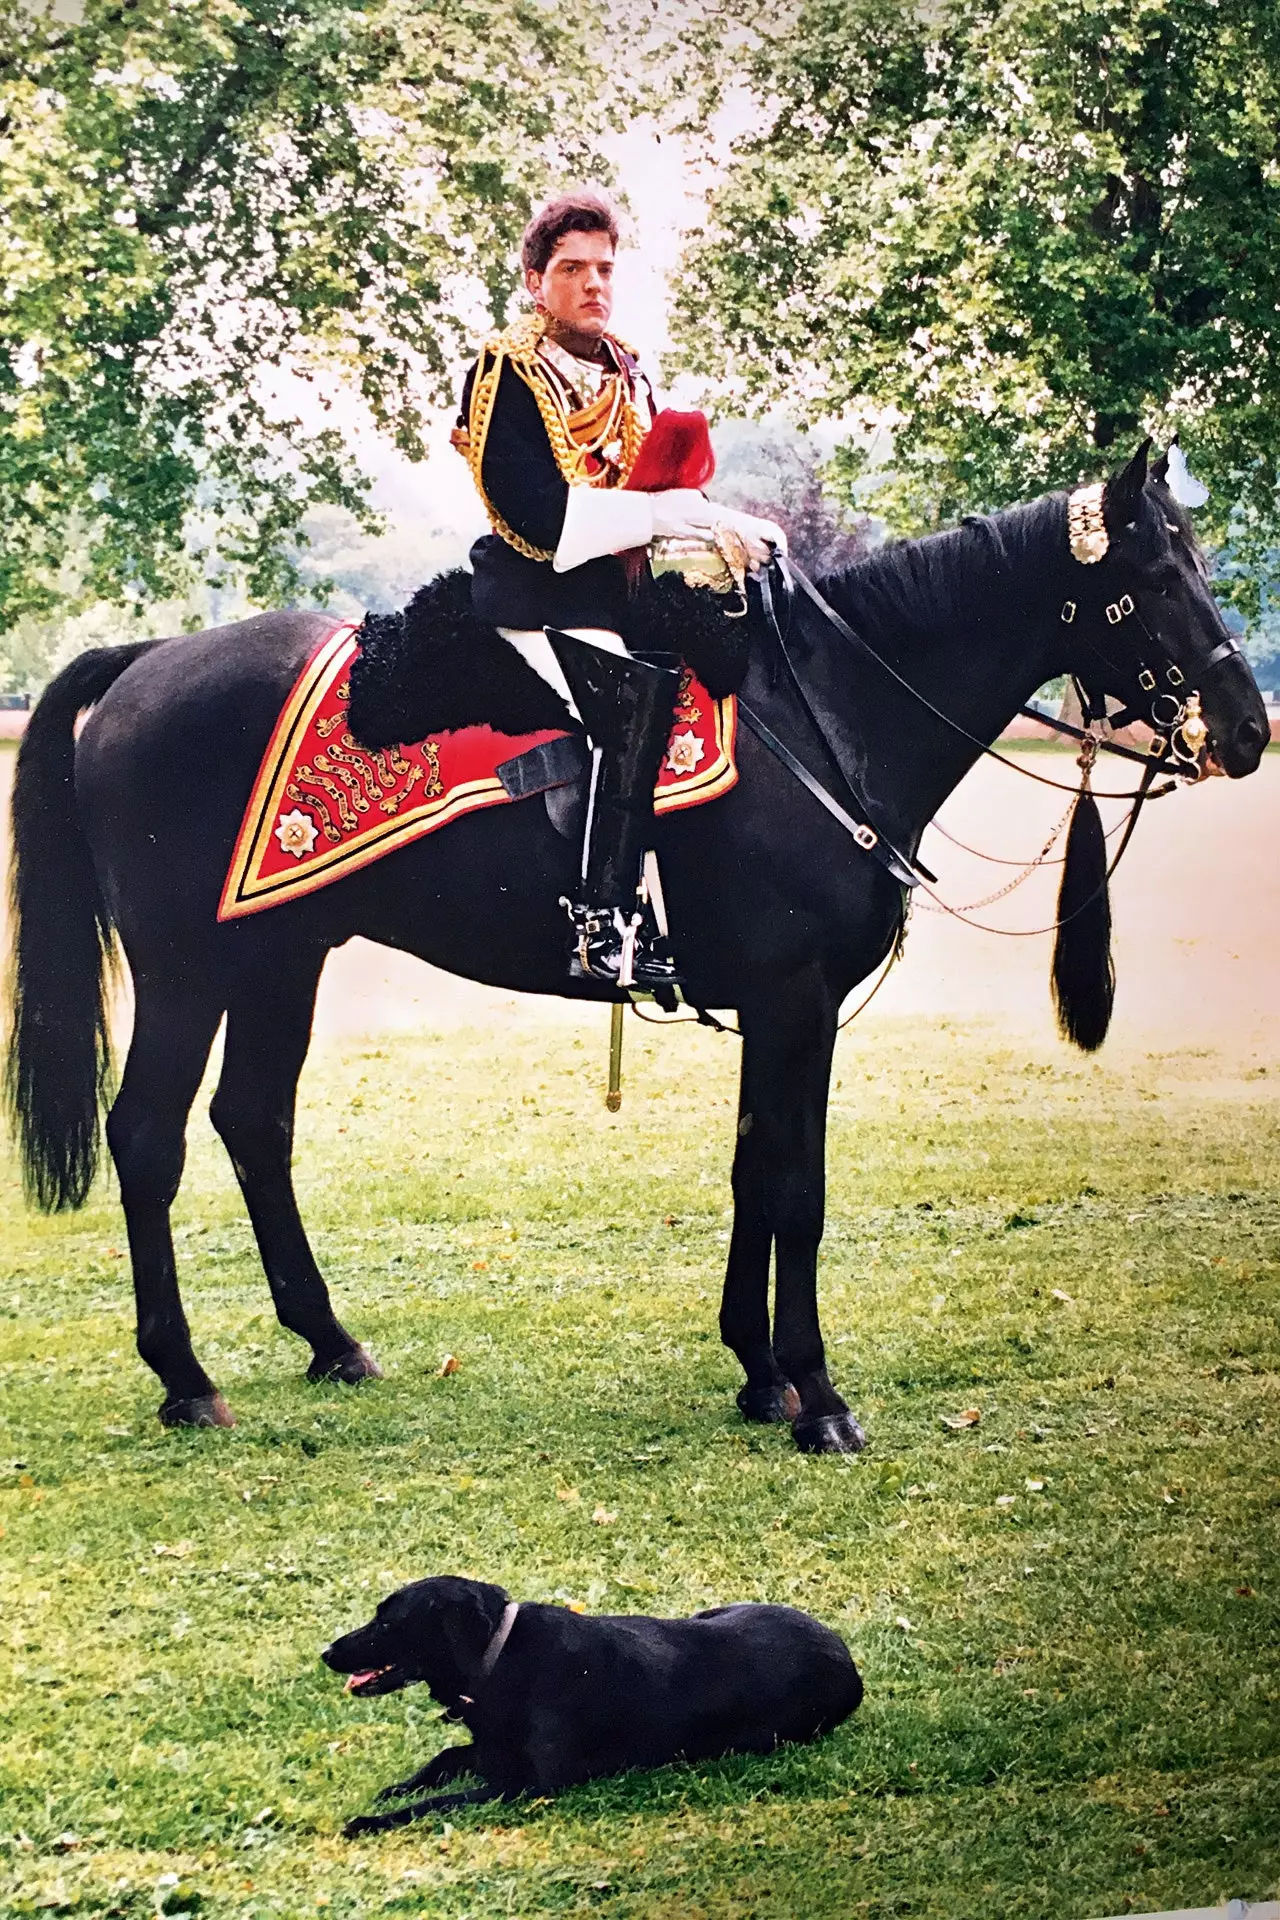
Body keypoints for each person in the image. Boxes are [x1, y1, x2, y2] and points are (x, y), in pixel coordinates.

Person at [452, 188, 784, 990]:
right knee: (632, 700)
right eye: (572, 269)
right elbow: (536, 520)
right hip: (537, 594)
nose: (593, 284)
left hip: (618, 597)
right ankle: (605, 920)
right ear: (536, 280)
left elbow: (664, 487)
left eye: (604, 268)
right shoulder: (504, 371)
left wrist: (724, 522)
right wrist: (657, 511)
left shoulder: (628, 370)